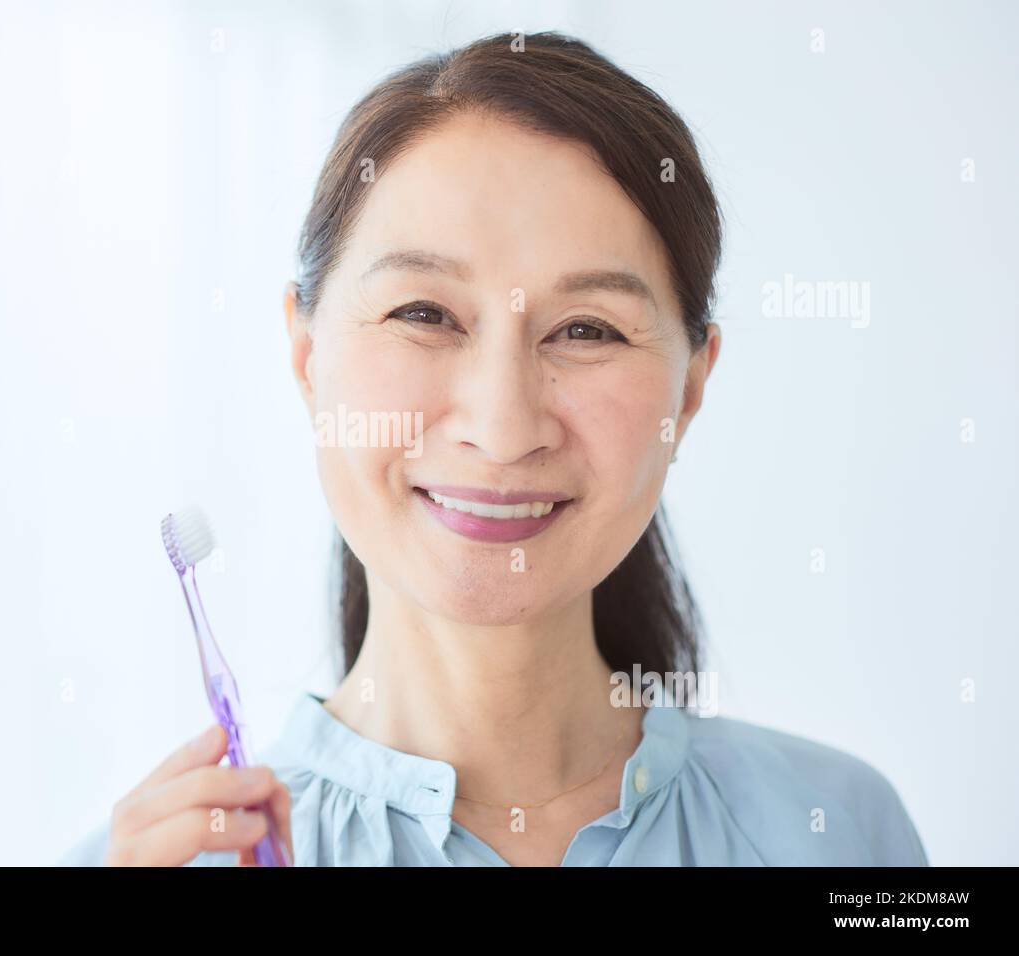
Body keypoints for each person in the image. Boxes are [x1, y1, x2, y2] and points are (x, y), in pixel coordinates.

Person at [61, 30, 928, 867]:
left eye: (585, 329)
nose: (503, 427)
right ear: (307, 355)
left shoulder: (841, 832)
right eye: (424, 315)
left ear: (691, 389)